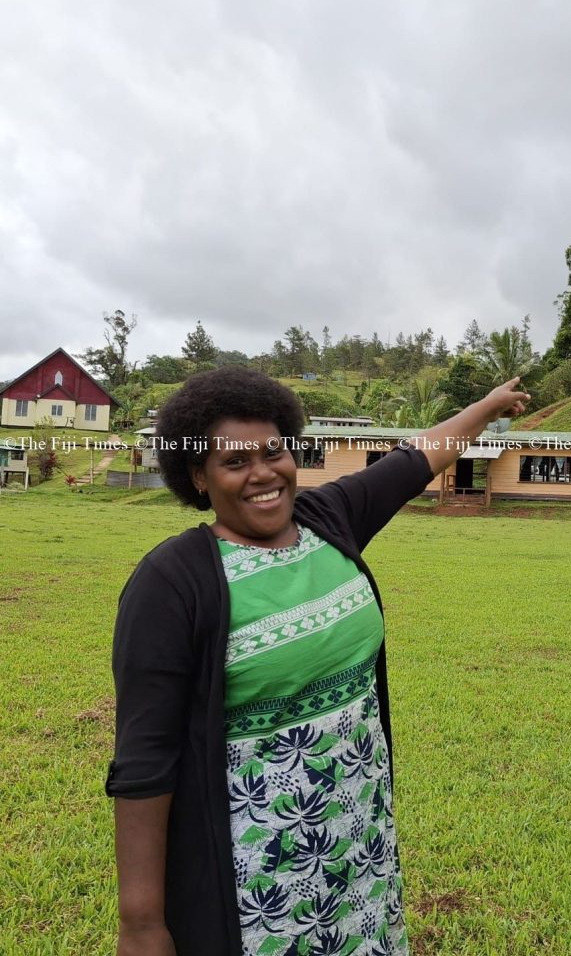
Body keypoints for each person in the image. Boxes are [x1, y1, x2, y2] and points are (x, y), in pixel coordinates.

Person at [106, 366, 528, 956]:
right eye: (235, 462)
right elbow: (144, 763)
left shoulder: (328, 520)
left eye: (273, 451)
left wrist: (486, 406)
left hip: (359, 837)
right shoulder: (172, 583)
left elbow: (415, 459)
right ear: (198, 477)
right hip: (258, 872)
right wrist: (142, 924)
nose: (262, 473)